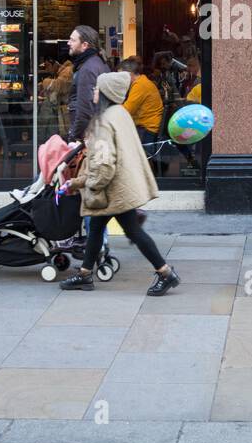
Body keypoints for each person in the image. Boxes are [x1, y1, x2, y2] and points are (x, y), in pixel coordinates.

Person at [58, 71, 180, 296]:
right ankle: (85, 274)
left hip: (113, 190)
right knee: (96, 227)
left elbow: (104, 163)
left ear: (105, 93)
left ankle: (165, 273)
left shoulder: (104, 122)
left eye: (97, 88)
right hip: (119, 187)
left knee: (131, 231)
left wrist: (89, 184)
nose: (94, 91)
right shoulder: (120, 114)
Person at [67, 25, 110, 143]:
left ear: (84, 45)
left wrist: (73, 137)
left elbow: (85, 110)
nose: (68, 43)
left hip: (87, 136)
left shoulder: (87, 68)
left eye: (73, 40)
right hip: (96, 131)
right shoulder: (99, 62)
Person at [120, 56, 164, 144]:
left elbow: (126, 111)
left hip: (147, 130)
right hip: (148, 126)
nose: (119, 79)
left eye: (120, 75)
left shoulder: (139, 85)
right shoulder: (142, 81)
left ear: (129, 74)